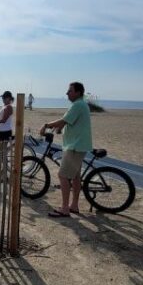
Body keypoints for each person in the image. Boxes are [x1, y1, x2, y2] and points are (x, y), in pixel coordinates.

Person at [43, 82, 92, 217]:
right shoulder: (80, 105)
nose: (67, 93)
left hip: (75, 146)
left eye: (70, 91)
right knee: (75, 177)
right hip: (78, 144)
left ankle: (65, 208)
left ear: (78, 92)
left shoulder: (78, 105)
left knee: (63, 176)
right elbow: (67, 122)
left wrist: (46, 125)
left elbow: (63, 120)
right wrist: (59, 129)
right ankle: (74, 206)